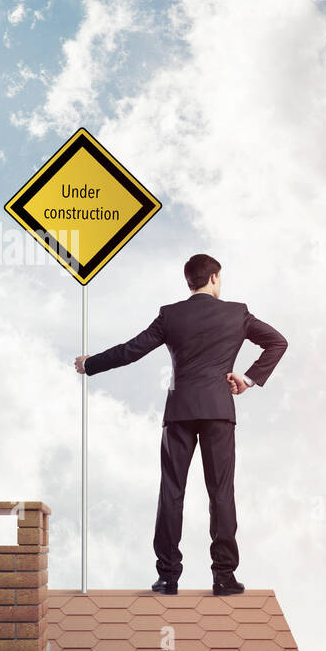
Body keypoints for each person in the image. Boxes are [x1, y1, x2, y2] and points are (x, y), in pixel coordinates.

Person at [73, 254, 287, 596]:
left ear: (189, 282)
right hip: (219, 410)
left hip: (180, 412)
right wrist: (247, 378)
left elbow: (132, 350)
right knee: (221, 493)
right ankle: (224, 577)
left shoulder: (170, 315)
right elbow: (278, 342)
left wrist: (91, 364)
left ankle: (168, 577)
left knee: (172, 492)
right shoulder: (237, 313)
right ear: (214, 278)